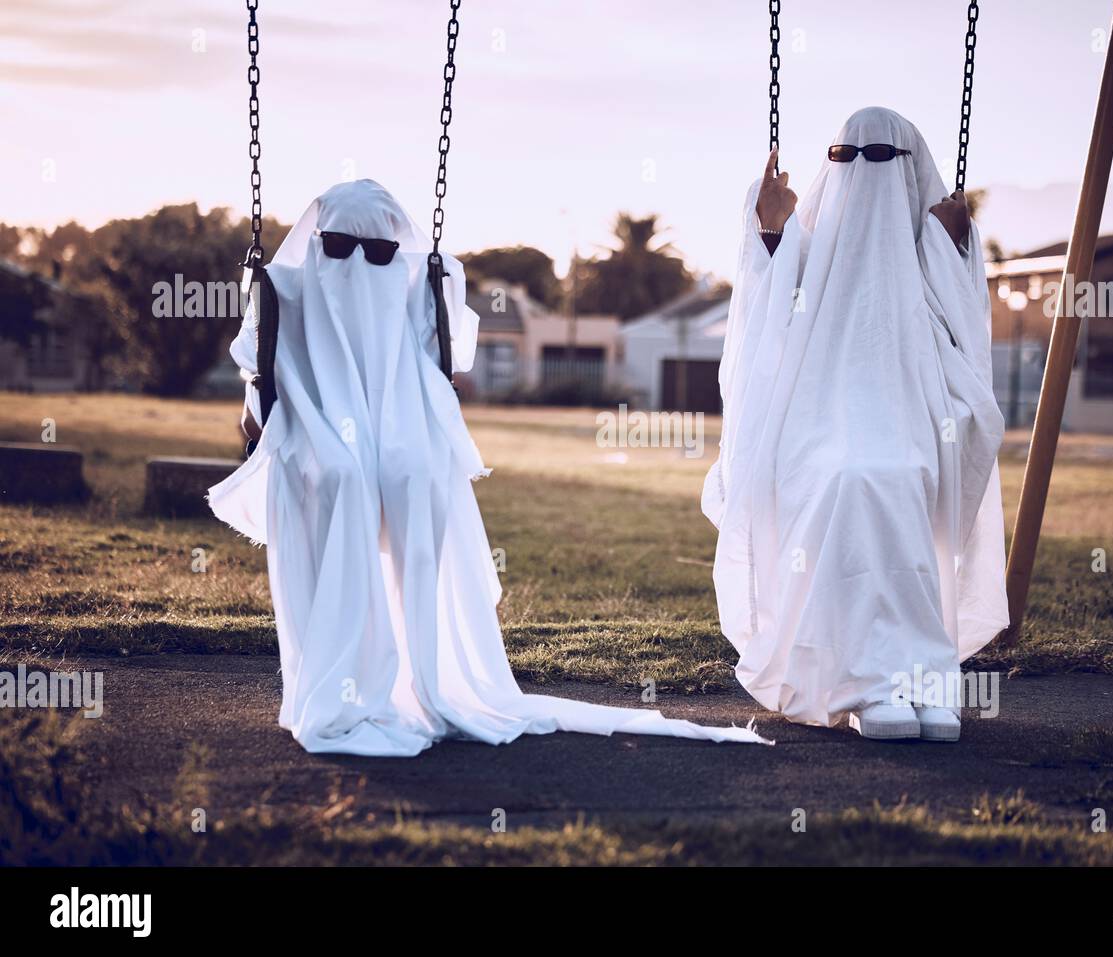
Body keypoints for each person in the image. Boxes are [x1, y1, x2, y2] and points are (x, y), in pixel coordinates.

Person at [210, 179, 768, 755]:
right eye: (338, 249)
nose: (357, 265)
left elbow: (435, 375)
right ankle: (344, 683)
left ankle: (424, 672)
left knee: (414, 475)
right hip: (317, 431)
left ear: (395, 252)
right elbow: (262, 394)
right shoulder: (285, 291)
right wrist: (286, 435)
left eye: (376, 252)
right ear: (315, 244)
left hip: (400, 429)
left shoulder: (418, 284)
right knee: (342, 479)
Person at [702, 107, 1008, 742]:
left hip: (914, 419)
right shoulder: (809, 251)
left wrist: (953, 246)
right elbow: (762, 317)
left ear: (910, 171)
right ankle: (869, 683)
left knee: (895, 472)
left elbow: (963, 335)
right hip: (814, 430)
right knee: (853, 476)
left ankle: (923, 678)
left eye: (882, 159)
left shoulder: (927, 246)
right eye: (848, 158)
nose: (863, 174)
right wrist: (770, 227)